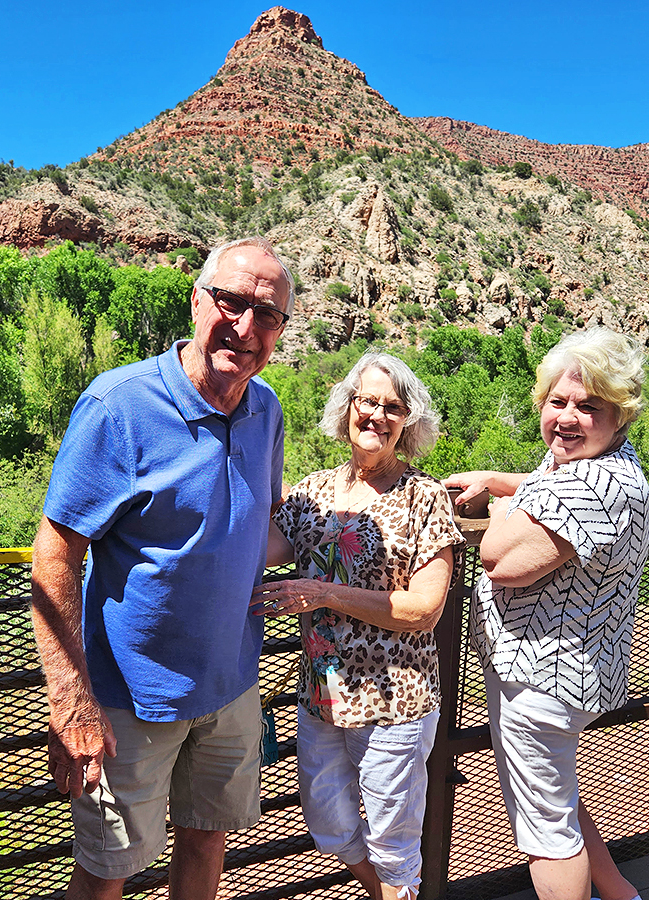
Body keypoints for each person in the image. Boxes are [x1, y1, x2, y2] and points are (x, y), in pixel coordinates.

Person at [30, 236, 293, 900]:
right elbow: (57, 551)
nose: (245, 326)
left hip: (230, 686)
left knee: (207, 838)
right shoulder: (119, 406)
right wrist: (70, 701)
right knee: (108, 867)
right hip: (127, 700)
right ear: (196, 299)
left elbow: (261, 517)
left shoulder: (267, 410)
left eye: (267, 315)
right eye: (231, 302)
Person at [445, 326, 649, 900]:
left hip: (543, 680)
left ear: (619, 415)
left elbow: (499, 559)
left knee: (545, 832)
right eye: (557, 402)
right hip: (568, 671)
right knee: (555, 798)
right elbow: (544, 487)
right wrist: (502, 482)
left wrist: (508, 502)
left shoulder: (591, 485)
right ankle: (622, 894)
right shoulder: (602, 465)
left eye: (588, 406)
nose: (567, 416)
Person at [251, 352, 464, 900]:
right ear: (347, 408)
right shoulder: (312, 491)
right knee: (333, 828)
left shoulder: (424, 496)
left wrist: (321, 593)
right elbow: (255, 549)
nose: (377, 415)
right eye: (367, 401)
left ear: (408, 422)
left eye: (392, 407)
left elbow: (424, 609)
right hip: (321, 699)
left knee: (394, 849)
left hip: (397, 703)